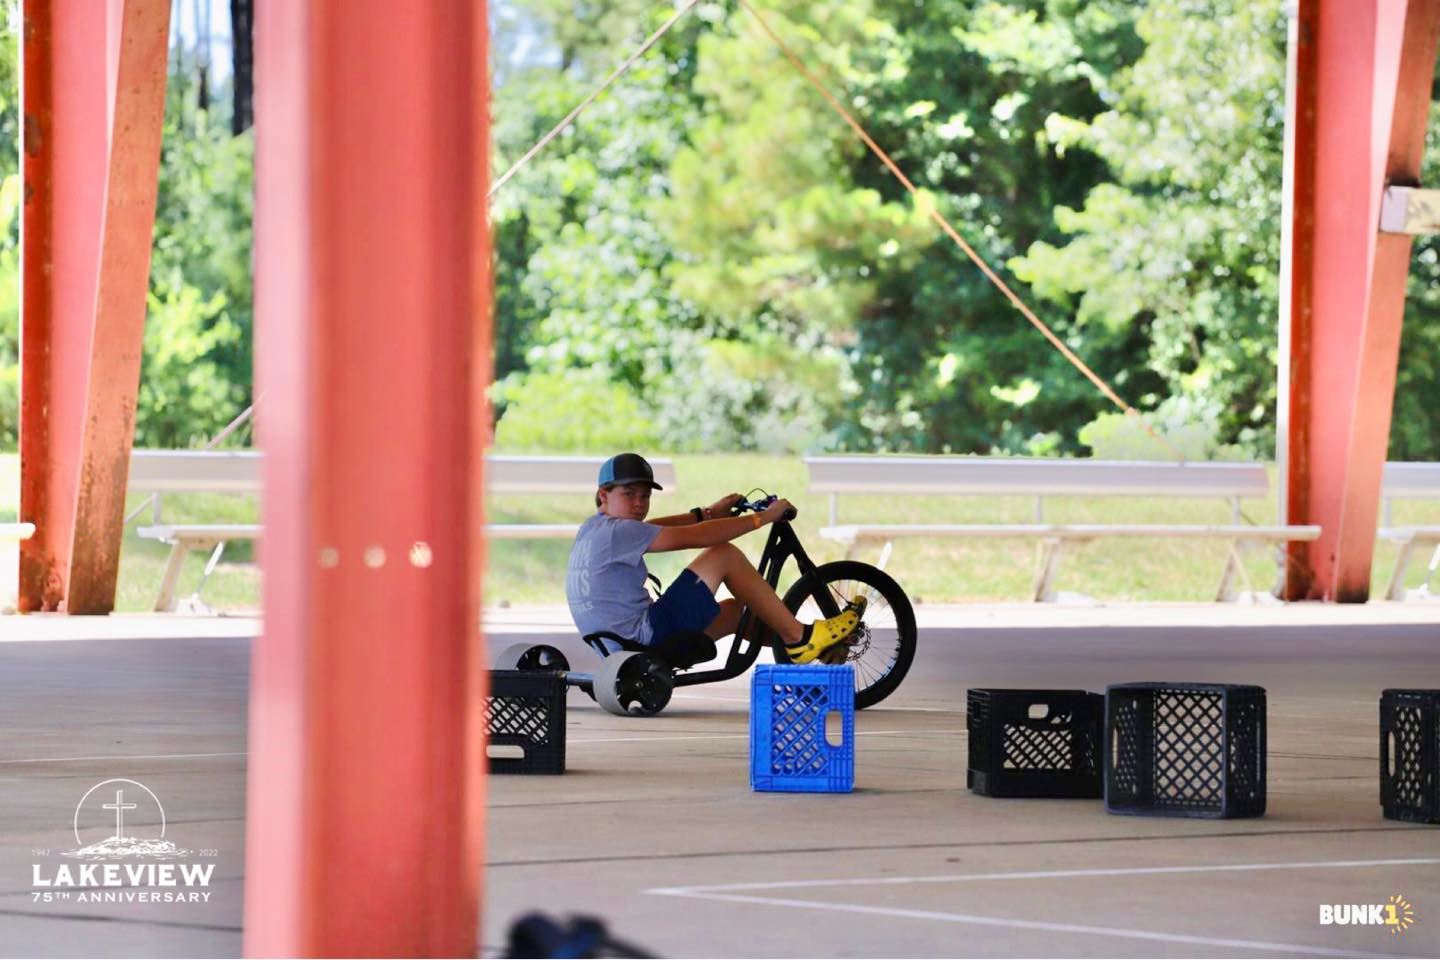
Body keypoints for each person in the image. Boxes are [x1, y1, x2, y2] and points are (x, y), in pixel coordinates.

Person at [565, 452, 862, 666]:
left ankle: (812, 647)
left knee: (734, 612)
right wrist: (762, 518)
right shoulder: (621, 532)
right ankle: (798, 636)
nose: (639, 503)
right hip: (646, 638)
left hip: (618, 647)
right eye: (629, 494)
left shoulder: (595, 529)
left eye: (645, 495)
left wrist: (707, 513)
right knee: (723, 554)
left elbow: (662, 526)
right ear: (603, 496)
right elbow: (698, 537)